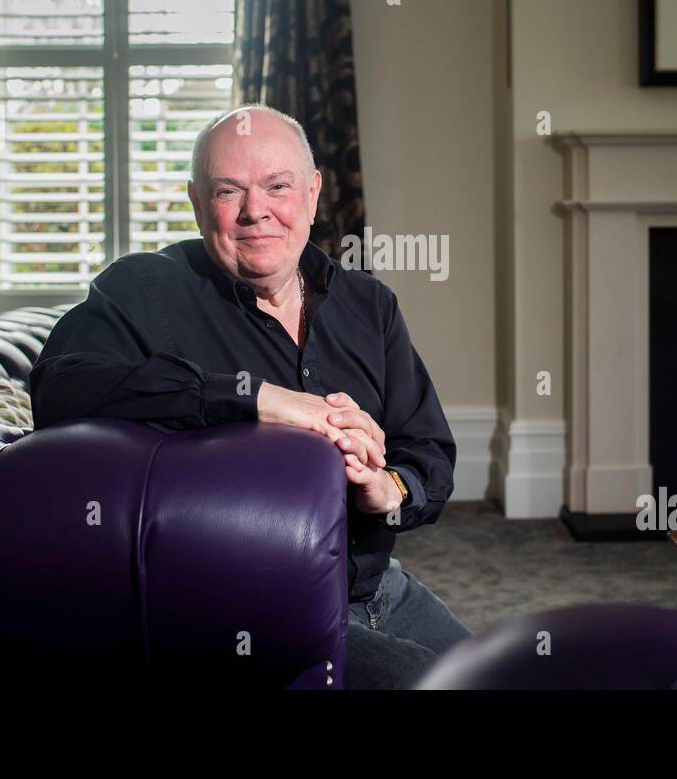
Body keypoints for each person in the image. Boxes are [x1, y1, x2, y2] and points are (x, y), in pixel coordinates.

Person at [28, 102, 471, 688]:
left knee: (510, 677)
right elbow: (59, 386)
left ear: (312, 193)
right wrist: (254, 398)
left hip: (375, 585)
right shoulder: (143, 289)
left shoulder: (370, 305)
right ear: (195, 201)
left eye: (277, 186)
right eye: (228, 191)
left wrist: (384, 488)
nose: (255, 211)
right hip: (244, 611)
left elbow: (430, 452)